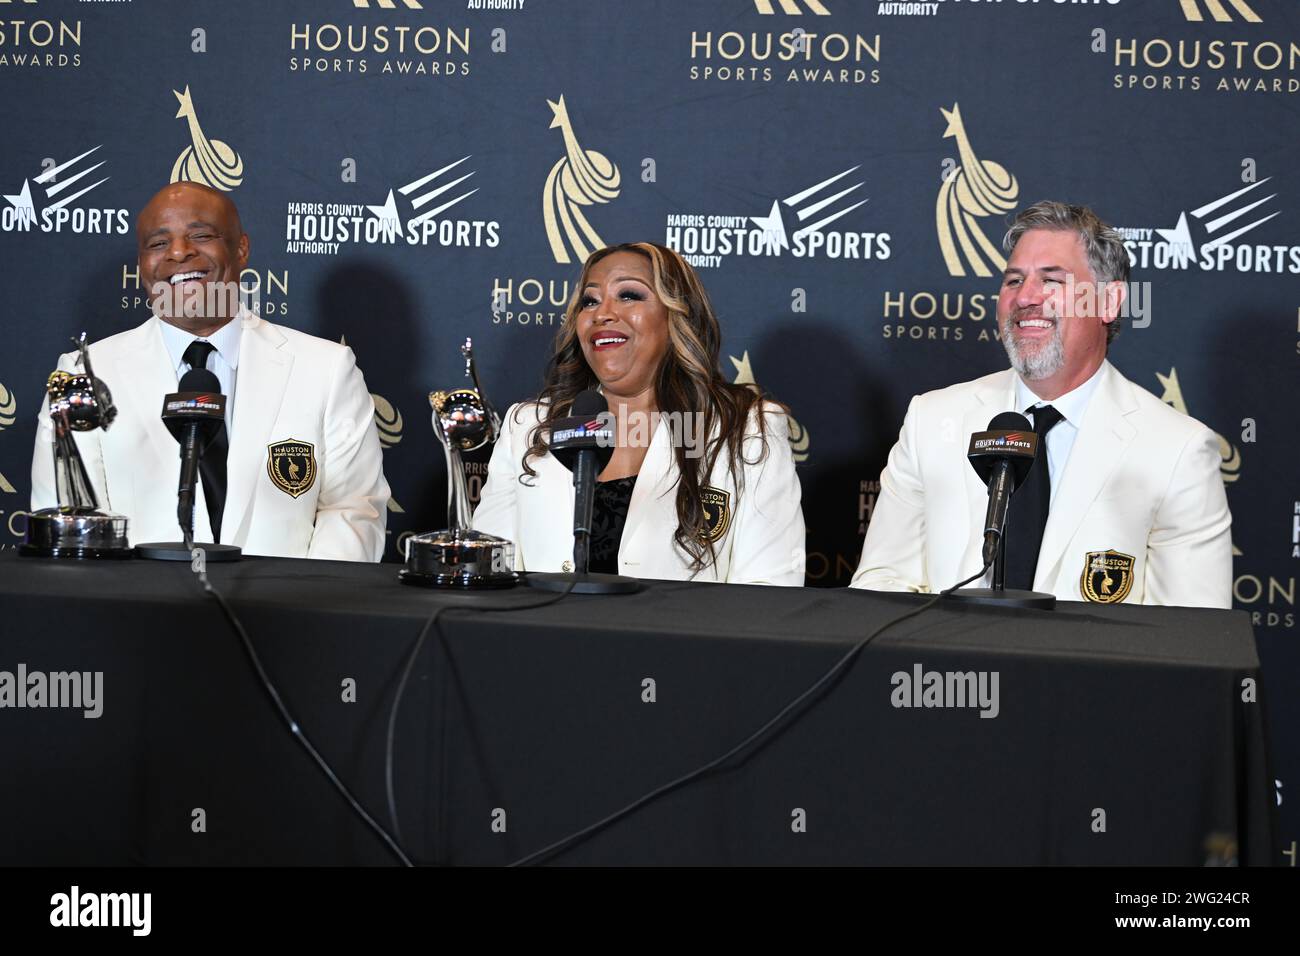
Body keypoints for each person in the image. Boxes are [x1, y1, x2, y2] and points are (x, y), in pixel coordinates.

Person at [851, 201, 1231, 607]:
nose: (1026, 298)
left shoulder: (1179, 451)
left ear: (1109, 301)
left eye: (1052, 281)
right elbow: (880, 586)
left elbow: (1189, 638)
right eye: (1013, 281)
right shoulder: (931, 420)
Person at [30, 181, 389, 561]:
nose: (179, 252)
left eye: (200, 235)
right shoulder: (86, 374)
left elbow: (352, 511)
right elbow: (71, 518)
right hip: (134, 613)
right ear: (141, 266)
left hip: (285, 612)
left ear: (241, 249)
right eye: (157, 243)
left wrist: (301, 609)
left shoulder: (326, 368)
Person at [472, 242, 805, 584]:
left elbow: (770, 594)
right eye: (590, 301)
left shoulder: (746, 428)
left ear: (677, 314)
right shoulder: (528, 427)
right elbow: (488, 576)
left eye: (628, 295)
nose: (602, 313)